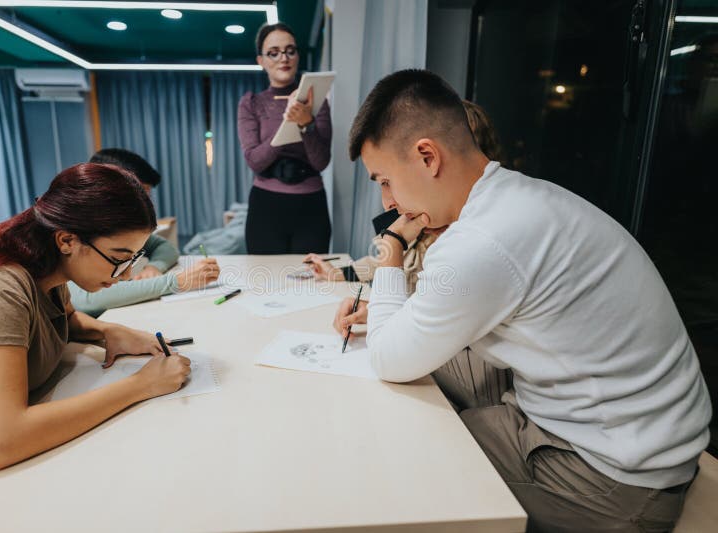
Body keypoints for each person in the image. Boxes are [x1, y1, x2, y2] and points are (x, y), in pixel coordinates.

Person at [343, 69, 711, 531]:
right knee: (430, 373)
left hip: (619, 477)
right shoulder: (518, 195)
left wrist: (392, 250)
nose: (388, 202)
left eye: (385, 180)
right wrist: (395, 314)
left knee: (425, 443)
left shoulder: (481, 240)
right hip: (644, 435)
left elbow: (386, 357)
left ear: (427, 156)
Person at [0, 163, 192, 471]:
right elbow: (0, 441)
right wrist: (141, 385)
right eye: (118, 259)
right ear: (67, 241)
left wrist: (106, 331)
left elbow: (63, 318)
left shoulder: (47, 267)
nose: (127, 275)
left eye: (133, 260)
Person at [306, 100, 512, 410]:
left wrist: (393, 243)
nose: (389, 203)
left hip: (478, 387)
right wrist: (360, 290)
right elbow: (404, 282)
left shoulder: (470, 240)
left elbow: (393, 354)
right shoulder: (438, 220)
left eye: (387, 182)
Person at [69, 148, 220, 316]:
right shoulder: (74, 228)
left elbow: (165, 247)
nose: (146, 203)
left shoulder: (118, 225)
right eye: (140, 194)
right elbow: (86, 299)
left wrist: (154, 267)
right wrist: (177, 281)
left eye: (146, 195)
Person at [238, 22, 332, 254]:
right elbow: (254, 161)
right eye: (274, 52)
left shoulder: (316, 100)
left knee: (311, 275)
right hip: (266, 206)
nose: (284, 58)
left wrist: (306, 123)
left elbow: (321, 161)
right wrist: (288, 122)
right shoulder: (251, 103)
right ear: (261, 61)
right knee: (264, 275)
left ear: (297, 56)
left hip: (311, 206)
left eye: (290, 50)